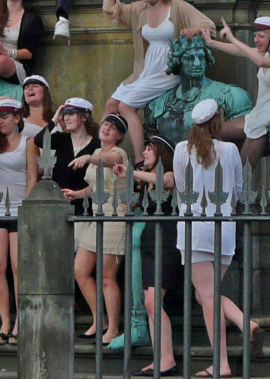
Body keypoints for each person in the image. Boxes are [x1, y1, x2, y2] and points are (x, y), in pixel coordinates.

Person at [173, 99, 260, 377]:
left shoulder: (181, 151)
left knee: (207, 296)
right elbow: (237, 188)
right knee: (204, 294)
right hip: (223, 227)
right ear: (218, 121)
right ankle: (242, 321)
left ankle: (221, 362)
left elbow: (181, 187)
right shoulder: (230, 149)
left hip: (195, 226)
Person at [103, 0, 216, 161]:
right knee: (111, 104)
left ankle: (139, 160)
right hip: (144, 70)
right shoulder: (140, 9)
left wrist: (193, 31)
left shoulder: (178, 7)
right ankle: (102, 154)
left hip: (167, 71)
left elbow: (208, 25)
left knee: (126, 106)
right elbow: (111, 10)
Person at [113, 135, 180, 376]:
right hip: (149, 241)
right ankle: (162, 358)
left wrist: (134, 173)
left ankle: (167, 359)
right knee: (151, 305)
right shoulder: (146, 183)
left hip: (167, 239)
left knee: (153, 302)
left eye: (150, 150)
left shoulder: (170, 174)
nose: (145, 154)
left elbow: (166, 182)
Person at [203, 16, 270, 167]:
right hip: (260, 115)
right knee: (216, 130)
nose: (256, 40)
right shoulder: (265, 53)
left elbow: (260, 61)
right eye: (255, 36)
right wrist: (211, 43)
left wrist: (232, 38)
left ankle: (236, 183)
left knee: (243, 170)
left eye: (261, 36)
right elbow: (240, 51)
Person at [0, 96, 34, 345]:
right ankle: (5, 321)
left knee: (19, 268)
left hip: (19, 210)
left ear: (18, 118)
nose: (0, 121)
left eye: (5, 116)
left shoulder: (28, 143)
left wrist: (28, 208)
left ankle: (21, 320)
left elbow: (32, 178)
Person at [72, 113, 129, 344]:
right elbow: (95, 187)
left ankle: (113, 328)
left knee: (107, 277)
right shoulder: (96, 152)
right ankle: (100, 319)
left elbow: (110, 161)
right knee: (81, 270)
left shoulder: (118, 153)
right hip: (97, 216)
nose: (107, 128)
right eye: (106, 123)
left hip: (115, 217)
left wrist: (87, 158)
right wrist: (77, 194)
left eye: (113, 127)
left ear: (120, 135)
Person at [143, 34, 253, 150]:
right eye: (189, 58)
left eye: (201, 58)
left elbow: (253, 134)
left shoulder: (230, 95)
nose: (197, 63)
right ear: (177, 61)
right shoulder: (157, 105)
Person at [31, 97, 100, 226]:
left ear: (85, 116)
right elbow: (39, 140)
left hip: (83, 208)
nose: (66, 118)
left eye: (71, 114)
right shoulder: (62, 139)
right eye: (65, 114)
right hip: (59, 206)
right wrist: (54, 120)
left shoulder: (96, 144)